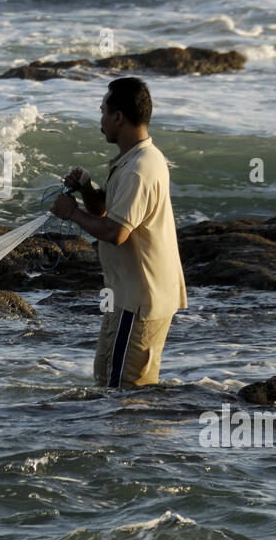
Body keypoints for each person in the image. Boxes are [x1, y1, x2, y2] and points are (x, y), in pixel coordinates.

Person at [50, 77, 188, 388]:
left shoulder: (140, 168)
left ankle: (140, 438)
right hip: (125, 296)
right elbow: (108, 213)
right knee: (107, 382)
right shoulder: (136, 160)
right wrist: (86, 188)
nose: (100, 118)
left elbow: (116, 232)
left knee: (128, 393)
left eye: (103, 111)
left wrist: (71, 213)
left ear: (118, 117)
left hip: (140, 301)